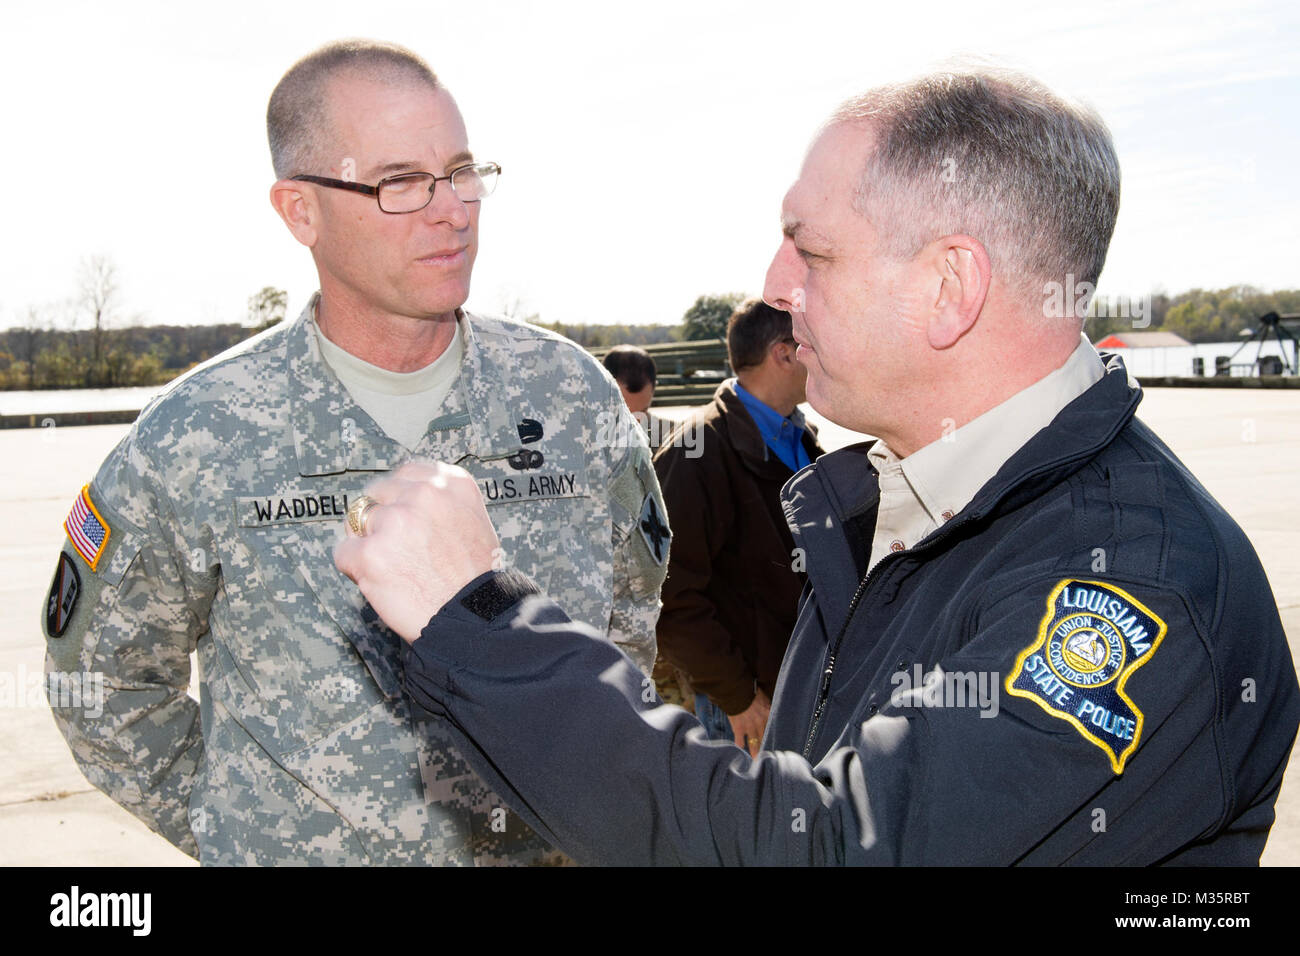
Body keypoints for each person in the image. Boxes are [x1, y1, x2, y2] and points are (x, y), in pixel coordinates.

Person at [335, 67, 1300, 864]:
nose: (774, 286)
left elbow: (824, 848)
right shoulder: (915, 496)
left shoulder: (1132, 584)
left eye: (813, 250)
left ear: (949, 287)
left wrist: (484, 624)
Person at [41, 39, 666, 866]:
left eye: (463, 171)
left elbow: (631, 622)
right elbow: (103, 689)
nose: (453, 209)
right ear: (301, 211)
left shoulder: (572, 403)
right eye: (401, 182)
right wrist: (243, 833)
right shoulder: (196, 438)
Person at [654, 298, 824, 752]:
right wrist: (739, 696)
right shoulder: (695, 453)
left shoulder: (801, 438)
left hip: (802, 690)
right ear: (783, 353)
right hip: (751, 708)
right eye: (812, 342)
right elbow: (670, 596)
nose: (822, 354)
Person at [602, 344, 673, 451]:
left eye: (642, 411)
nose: (634, 422)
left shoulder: (671, 436)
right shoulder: (582, 436)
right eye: (622, 412)